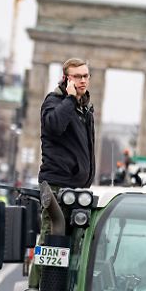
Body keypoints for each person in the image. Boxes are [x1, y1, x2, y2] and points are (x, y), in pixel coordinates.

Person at [39, 57, 96, 214]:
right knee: (53, 235)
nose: (83, 80)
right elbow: (55, 126)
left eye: (86, 76)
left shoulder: (85, 108)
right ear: (66, 79)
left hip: (79, 188)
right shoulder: (54, 101)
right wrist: (70, 98)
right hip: (57, 186)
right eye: (77, 76)